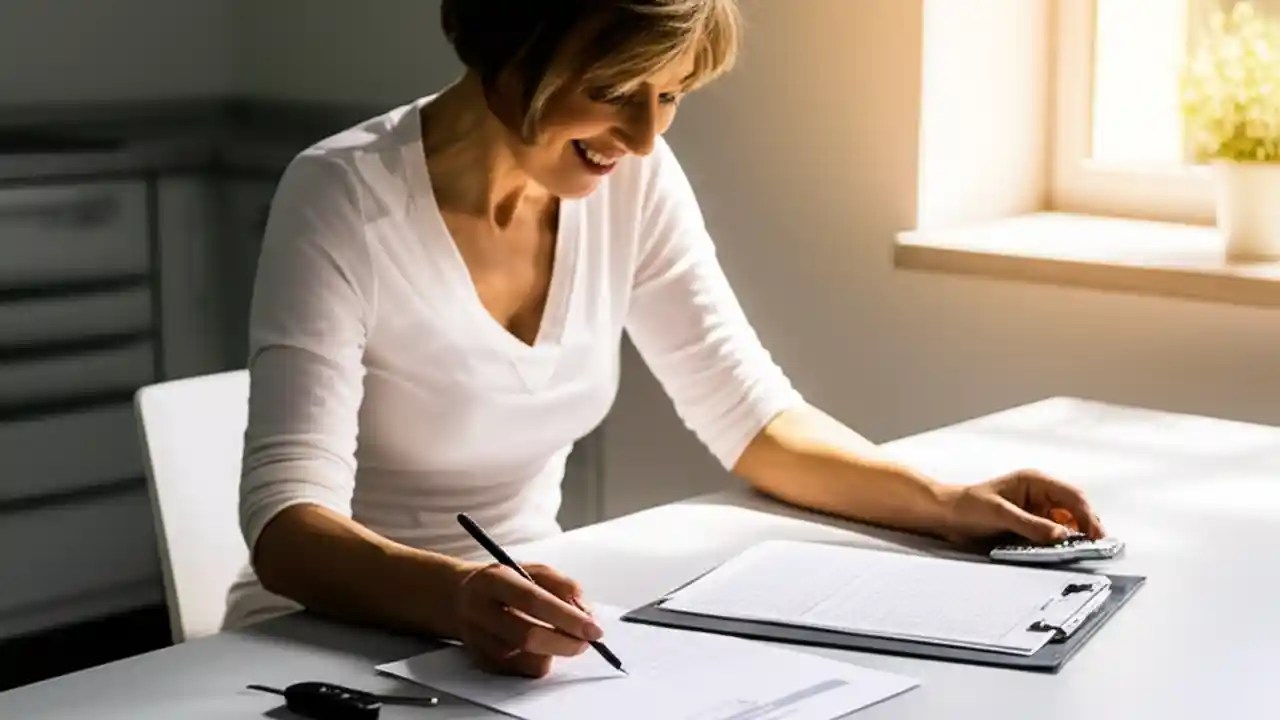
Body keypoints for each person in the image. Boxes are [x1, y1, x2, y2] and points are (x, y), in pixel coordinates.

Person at [227, 0, 1105, 678]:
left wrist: (952, 506)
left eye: (672, 95)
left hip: (524, 640)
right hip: (320, 651)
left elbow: (754, 418)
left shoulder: (626, 183)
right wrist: (458, 598)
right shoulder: (343, 195)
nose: (646, 137)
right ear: (511, 42)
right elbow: (288, 529)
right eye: (615, 92)